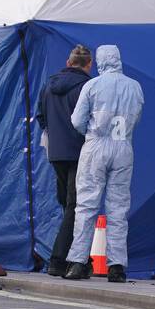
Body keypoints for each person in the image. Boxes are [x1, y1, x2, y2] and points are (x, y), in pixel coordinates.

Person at [62, 44, 144, 283]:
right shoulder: (135, 87)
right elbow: (136, 117)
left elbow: (77, 121)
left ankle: (78, 262)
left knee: (86, 206)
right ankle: (116, 266)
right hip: (123, 146)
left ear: (99, 61)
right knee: (118, 208)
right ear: (118, 60)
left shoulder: (92, 85)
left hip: (96, 145)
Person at [36, 45, 93, 277]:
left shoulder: (48, 85)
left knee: (66, 205)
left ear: (69, 62)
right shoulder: (86, 88)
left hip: (56, 152)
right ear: (88, 65)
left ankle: (72, 256)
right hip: (79, 152)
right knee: (75, 206)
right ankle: (59, 260)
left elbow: (41, 117)